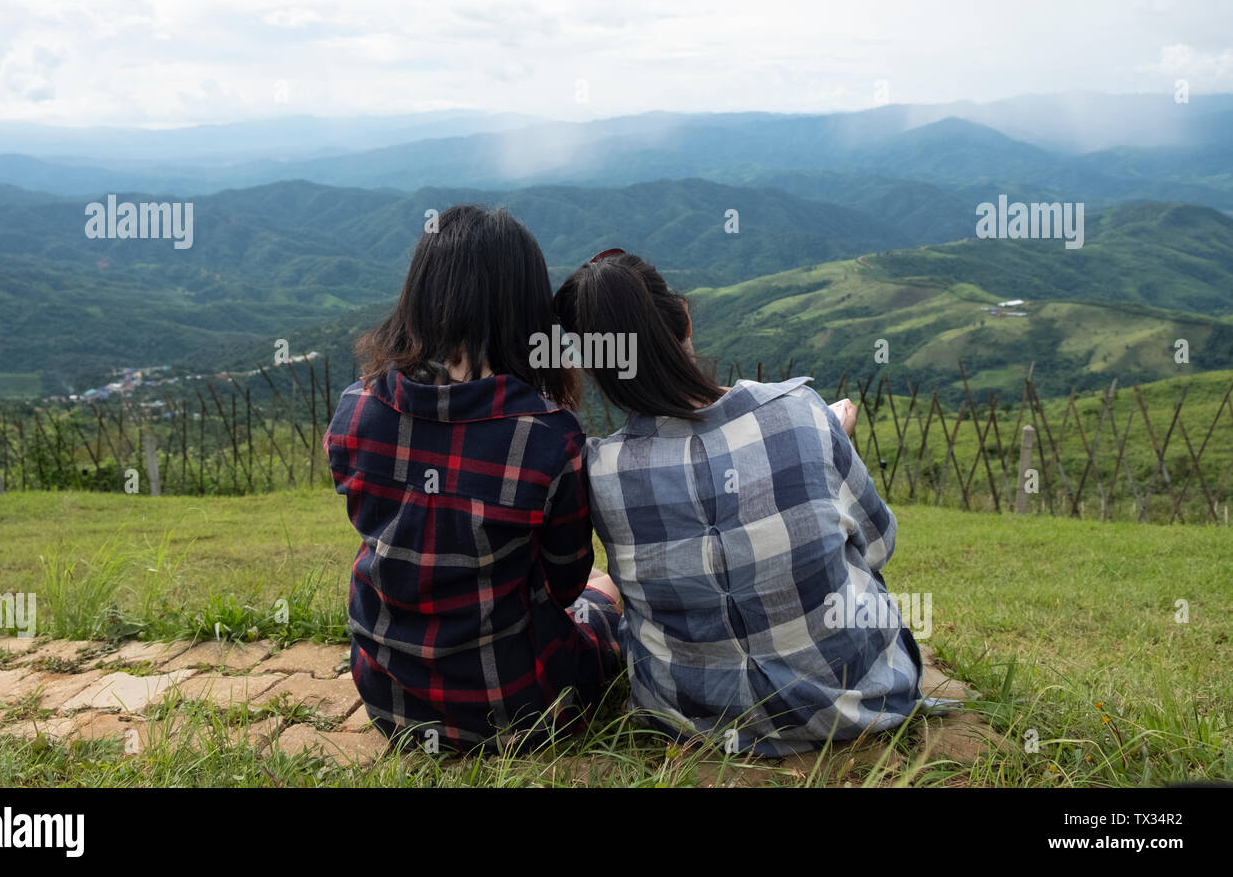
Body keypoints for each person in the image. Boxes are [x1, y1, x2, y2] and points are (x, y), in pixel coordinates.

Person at [552, 250, 923, 757]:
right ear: (683, 317)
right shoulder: (803, 413)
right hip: (859, 701)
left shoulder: (599, 470)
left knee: (611, 587)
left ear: (595, 371)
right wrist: (823, 446)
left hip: (691, 720)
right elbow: (880, 544)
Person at [323, 206, 622, 753]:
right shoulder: (548, 436)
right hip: (521, 704)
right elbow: (566, 584)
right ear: (526, 310)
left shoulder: (355, 410)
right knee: (606, 592)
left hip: (391, 701)